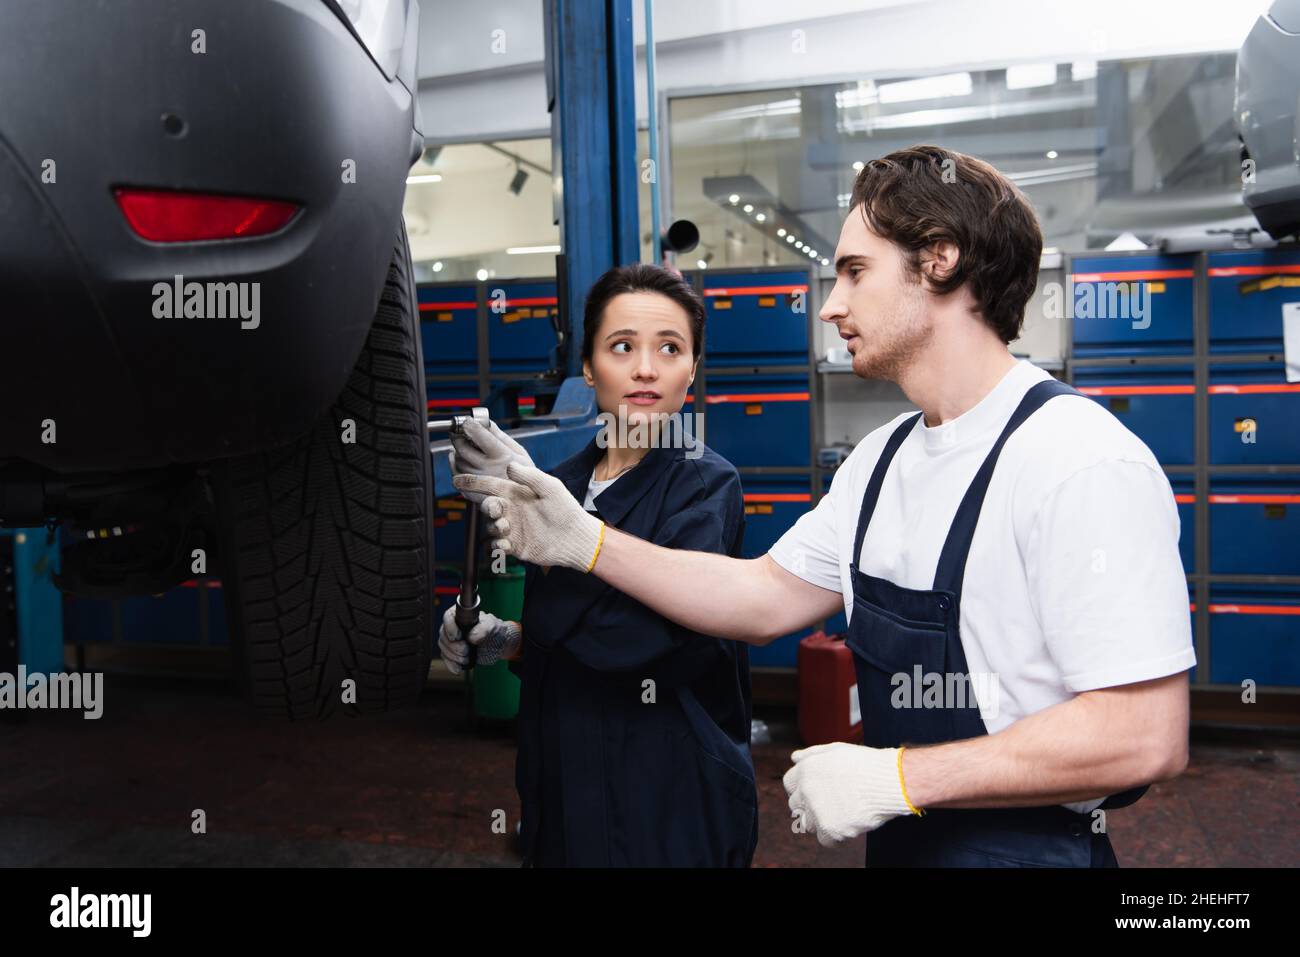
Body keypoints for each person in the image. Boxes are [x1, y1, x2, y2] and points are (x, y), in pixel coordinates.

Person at [455, 145, 1195, 868]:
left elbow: (1143, 735)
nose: (832, 304)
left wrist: (901, 778)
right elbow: (763, 594)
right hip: (907, 842)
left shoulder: (1079, 458)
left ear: (940, 258)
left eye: (854, 271)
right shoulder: (880, 463)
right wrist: (582, 538)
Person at [440, 263, 757, 867]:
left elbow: (638, 640)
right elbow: (571, 647)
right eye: (621, 347)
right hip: (562, 791)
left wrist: (564, 562)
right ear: (587, 366)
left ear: (691, 369)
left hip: (668, 802)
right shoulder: (559, 486)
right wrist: (505, 642)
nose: (645, 368)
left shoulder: (705, 485)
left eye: (670, 348)